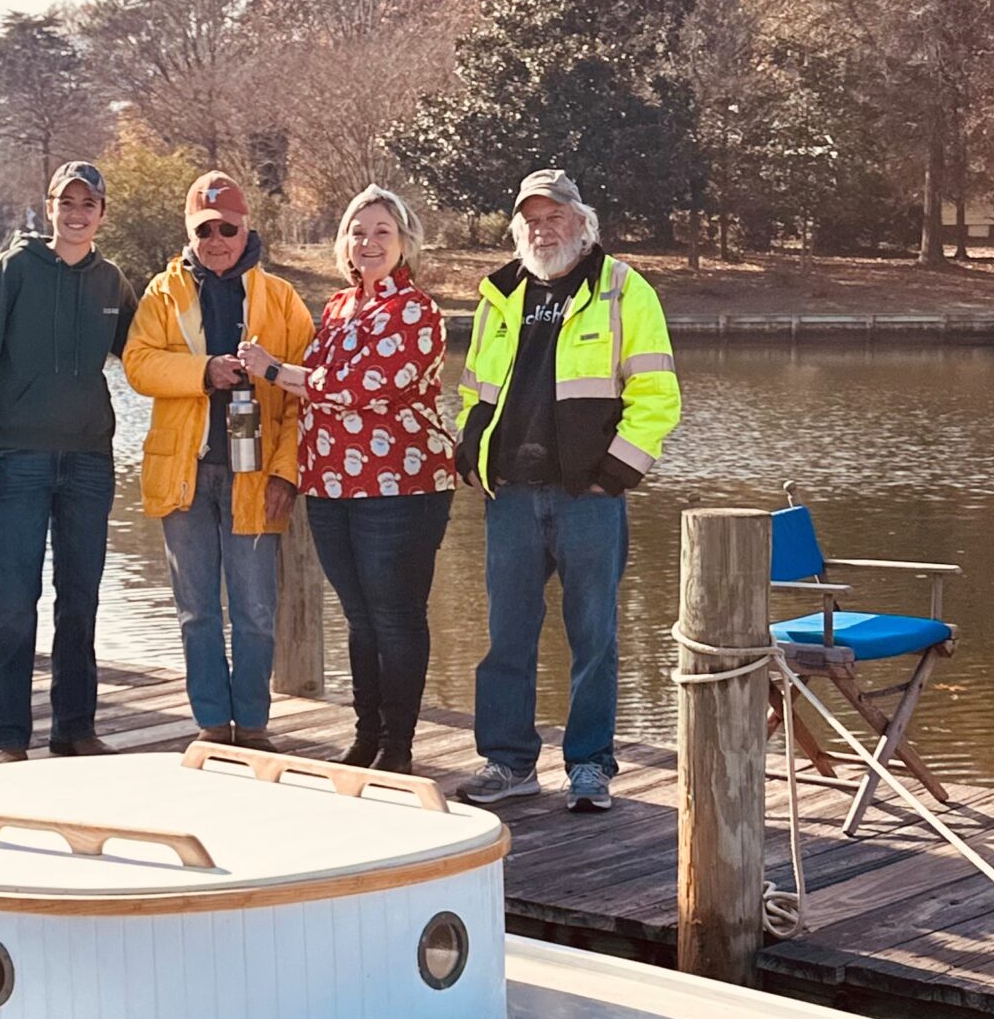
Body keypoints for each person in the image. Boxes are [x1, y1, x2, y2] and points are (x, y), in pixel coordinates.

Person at [455, 168, 680, 813]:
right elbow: (476, 389)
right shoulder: (499, 294)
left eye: (555, 216)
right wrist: (471, 449)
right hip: (512, 497)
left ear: (584, 223)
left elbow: (657, 396)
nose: (541, 227)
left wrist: (616, 472)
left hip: (590, 497)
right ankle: (508, 763)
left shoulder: (623, 289)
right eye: (530, 217)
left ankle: (588, 765)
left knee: (595, 637)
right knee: (507, 637)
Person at [238, 186, 455, 772]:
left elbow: (365, 389)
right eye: (358, 232)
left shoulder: (417, 310)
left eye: (383, 231)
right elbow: (318, 392)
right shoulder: (335, 309)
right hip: (332, 486)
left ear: (405, 241)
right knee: (360, 618)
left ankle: (400, 749)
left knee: (397, 616)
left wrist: (277, 371)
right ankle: (367, 735)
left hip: (402, 487)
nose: (369, 242)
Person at [0, 161, 135, 761]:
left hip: (89, 460)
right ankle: (8, 737)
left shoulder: (112, 282)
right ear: (50, 206)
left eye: (89, 204)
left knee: (80, 597)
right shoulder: (14, 271)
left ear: (103, 213)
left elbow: (147, 353)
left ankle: (74, 728)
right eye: (67, 202)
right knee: (14, 599)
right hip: (18, 458)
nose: (77, 214)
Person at [122, 171, 312, 749]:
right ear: (191, 232)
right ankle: (210, 724)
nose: (217, 239)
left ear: (246, 227)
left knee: (255, 609)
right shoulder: (162, 292)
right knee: (195, 609)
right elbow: (138, 365)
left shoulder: (280, 298)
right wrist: (203, 372)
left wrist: (286, 470)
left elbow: (306, 397)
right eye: (204, 229)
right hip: (185, 475)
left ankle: (252, 727)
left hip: (255, 476)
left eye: (227, 227)